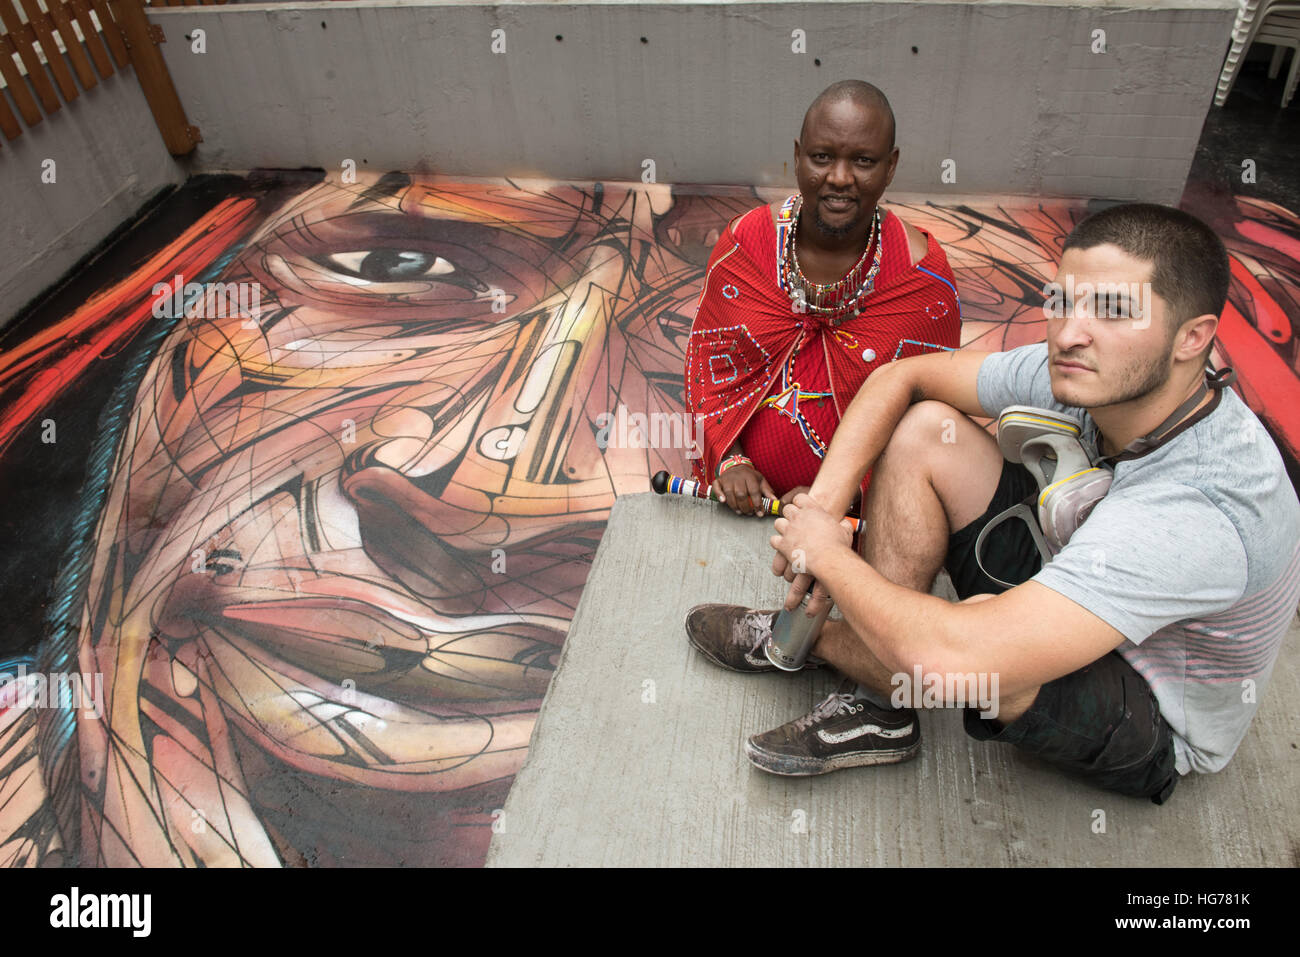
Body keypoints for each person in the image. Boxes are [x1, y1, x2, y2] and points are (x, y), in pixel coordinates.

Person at [687, 203, 1300, 803]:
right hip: (1084, 564)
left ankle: (800, 643)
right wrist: (823, 506)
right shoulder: (1090, 368)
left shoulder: (1198, 512)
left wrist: (830, 561)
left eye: (1114, 310)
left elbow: (951, 661)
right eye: (1062, 301)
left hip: (1149, 708)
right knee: (927, 427)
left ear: (1193, 338)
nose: (1070, 332)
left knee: (976, 656)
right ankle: (880, 709)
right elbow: (903, 377)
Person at [685, 80, 961, 516]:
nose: (839, 178)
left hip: (856, 525)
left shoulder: (921, 279)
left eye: (864, 161)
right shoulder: (745, 247)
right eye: (822, 157)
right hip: (737, 506)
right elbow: (706, 372)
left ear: (890, 167)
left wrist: (838, 499)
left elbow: (928, 425)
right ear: (797, 157)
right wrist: (730, 460)